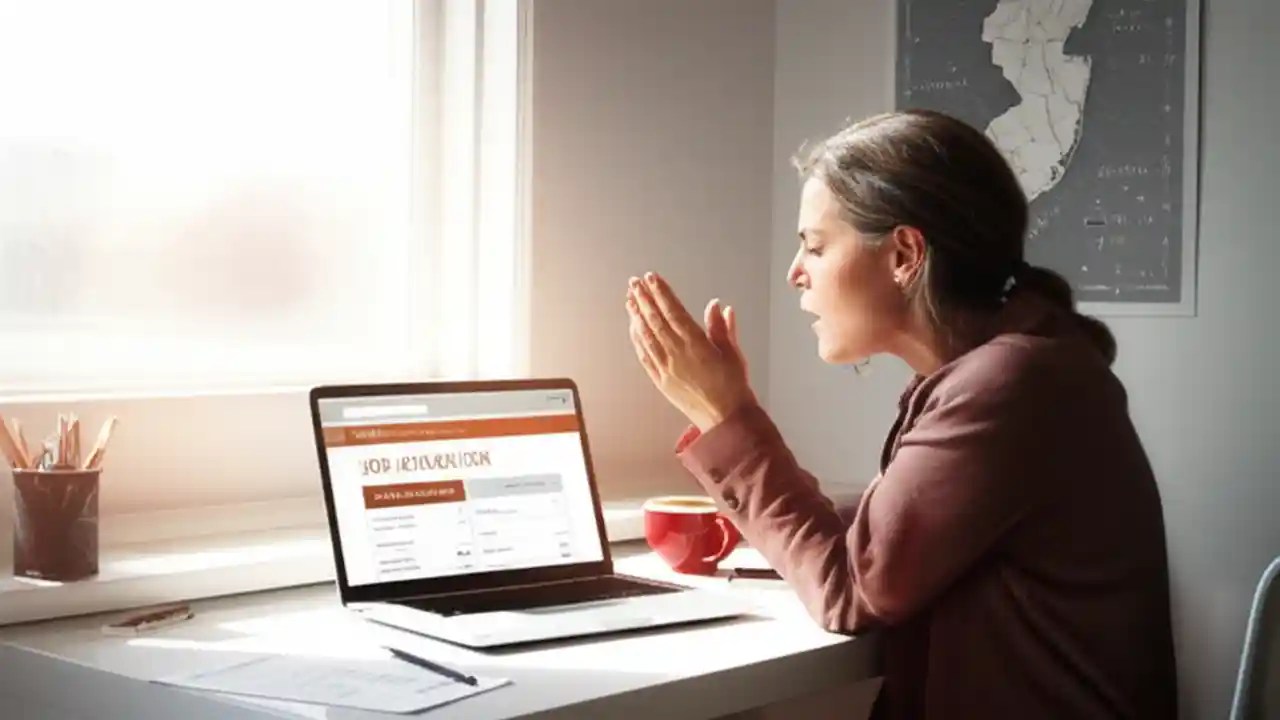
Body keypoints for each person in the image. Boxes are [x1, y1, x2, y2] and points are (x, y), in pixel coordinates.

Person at [623, 109, 1177, 719]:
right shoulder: (1019, 372)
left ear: (905, 254)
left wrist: (727, 414)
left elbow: (851, 591)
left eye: (815, 244)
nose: (795, 272)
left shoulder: (1011, 385)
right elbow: (886, 539)